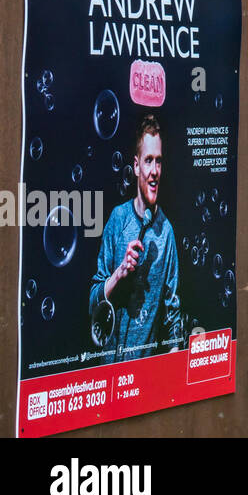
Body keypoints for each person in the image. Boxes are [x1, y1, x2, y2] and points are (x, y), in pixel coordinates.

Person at [89, 114, 183, 360]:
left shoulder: (167, 234)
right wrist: (119, 273)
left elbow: (173, 317)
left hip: (144, 381)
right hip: (108, 376)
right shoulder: (118, 220)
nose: (154, 171)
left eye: (159, 162)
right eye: (148, 161)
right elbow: (93, 301)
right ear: (136, 165)